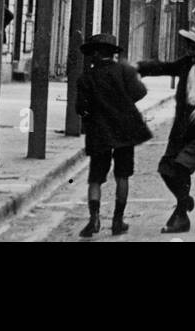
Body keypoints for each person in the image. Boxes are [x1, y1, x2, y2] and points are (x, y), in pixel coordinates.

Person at [137, 20, 195, 234]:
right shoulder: (188, 62)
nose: (191, 50)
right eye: (190, 46)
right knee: (166, 168)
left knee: (181, 167)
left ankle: (180, 216)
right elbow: (165, 67)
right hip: (182, 127)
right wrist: (139, 67)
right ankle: (184, 199)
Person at [75, 32, 152, 237]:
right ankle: (118, 221)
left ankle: (94, 219)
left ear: (96, 54)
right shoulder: (124, 71)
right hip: (124, 130)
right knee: (122, 175)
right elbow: (141, 92)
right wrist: (123, 103)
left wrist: (93, 111)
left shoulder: (86, 78)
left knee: (96, 178)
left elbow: (80, 108)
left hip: (99, 131)